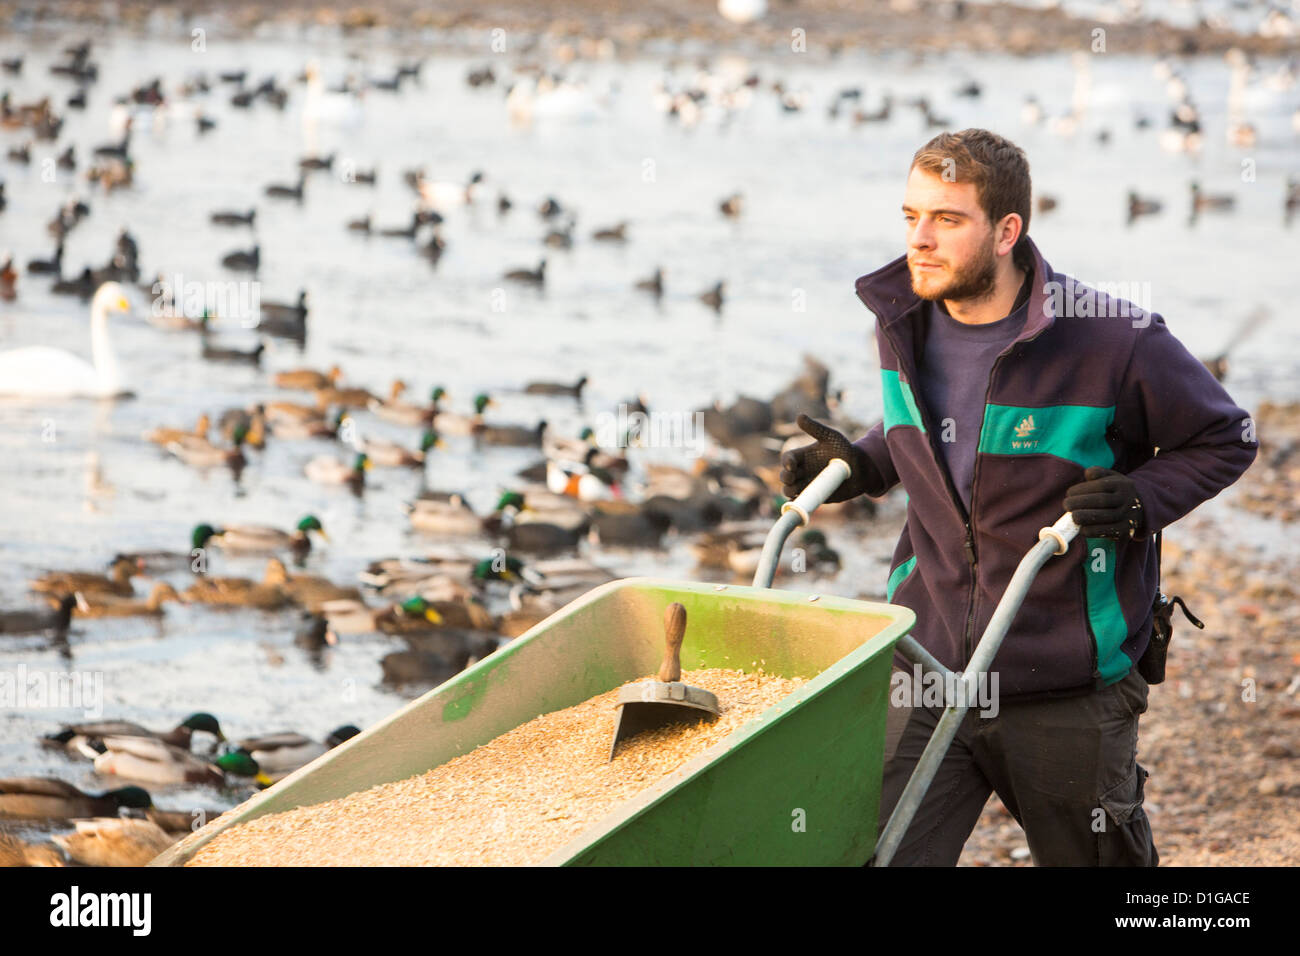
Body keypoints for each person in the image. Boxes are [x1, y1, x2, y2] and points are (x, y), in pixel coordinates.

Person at [779, 129, 1258, 866]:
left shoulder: (1113, 338)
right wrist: (869, 462)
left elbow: (1226, 438)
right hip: (927, 662)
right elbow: (936, 428)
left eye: (946, 219)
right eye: (910, 216)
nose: (919, 240)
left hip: (1065, 683)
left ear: (1008, 231)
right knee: (865, 857)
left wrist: (1138, 501)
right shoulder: (903, 320)